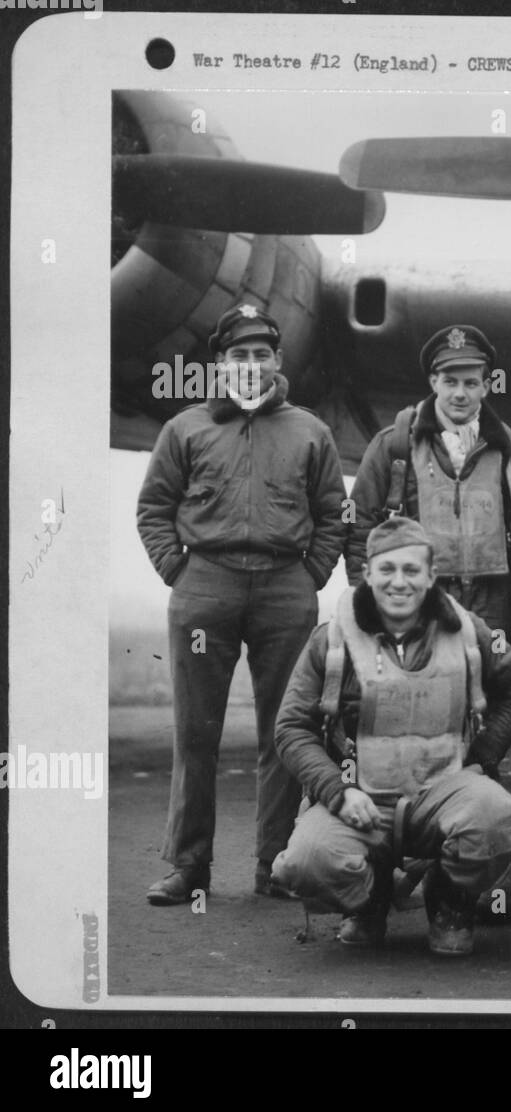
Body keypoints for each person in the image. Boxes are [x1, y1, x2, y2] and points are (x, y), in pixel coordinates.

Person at [137, 303, 347, 905]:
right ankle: (187, 866)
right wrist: (179, 569)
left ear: (277, 361)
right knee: (196, 731)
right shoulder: (186, 429)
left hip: (285, 588)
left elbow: (333, 513)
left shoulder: (310, 431)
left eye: (261, 355)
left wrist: (310, 575)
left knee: (285, 731)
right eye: (238, 355)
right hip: (205, 586)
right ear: (220, 364)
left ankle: (275, 863)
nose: (250, 365)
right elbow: (154, 508)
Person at [269, 518, 511, 954]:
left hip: (443, 789)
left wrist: (483, 757)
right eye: (387, 570)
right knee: (306, 861)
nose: (399, 582)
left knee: (496, 816)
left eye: (412, 571)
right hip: (359, 794)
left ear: (432, 576)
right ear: (367, 573)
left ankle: (449, 901)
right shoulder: (330, 641)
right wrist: (337, 792)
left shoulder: (471, 632)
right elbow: (291, 727)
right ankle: (369, 901)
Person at [345, 325, 511, 650]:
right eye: (450, 382)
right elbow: (358, 523)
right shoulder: (394, 445)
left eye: (471, 383)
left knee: (492, 689)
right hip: (419, 596)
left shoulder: (505, 447)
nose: (460, 394)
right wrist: (371, 597)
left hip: (493, 603)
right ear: (434, 382)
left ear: (487, 386)